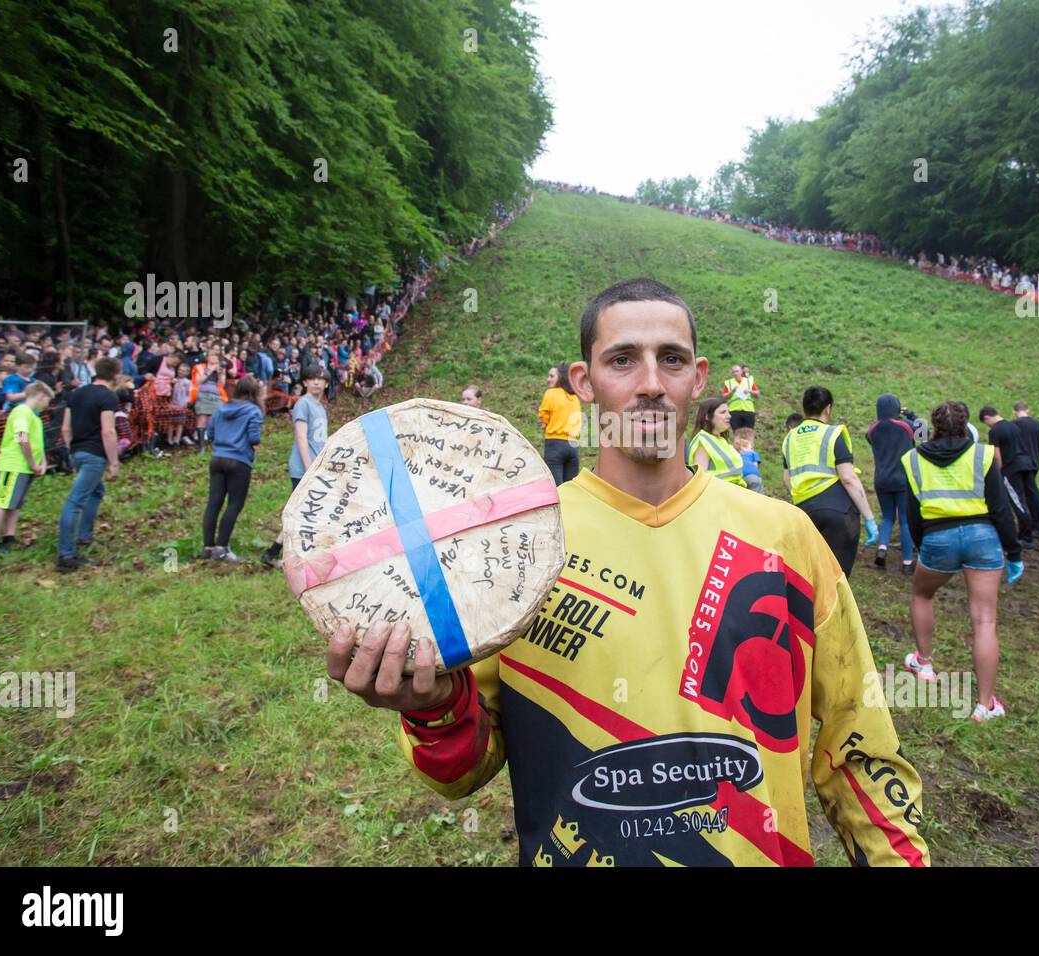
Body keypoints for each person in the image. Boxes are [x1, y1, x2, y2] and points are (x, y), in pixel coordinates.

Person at [326, 276, 930, 867]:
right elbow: (463, 770)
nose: (650, 384)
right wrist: (431, 707)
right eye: (622, 360)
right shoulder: (512, 549)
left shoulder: (785, 535)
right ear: (584, 382)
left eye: (671, 360)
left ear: (698, 378)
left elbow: (858, 738)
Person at [901, 401, 1021, 724]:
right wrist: (1014, 550)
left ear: (934, 427)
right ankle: (984, 706)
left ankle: (923, 663)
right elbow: (999, 507)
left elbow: (913, 512)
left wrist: (920, 545)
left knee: (922, 594)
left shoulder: (912, 459)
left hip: (938, 537)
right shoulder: (983, 454)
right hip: (983, 536)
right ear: (967, 425)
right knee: (984, 621)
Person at [781, 386, 879, 577]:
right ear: (828, 408)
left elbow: (787, 479)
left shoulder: (790, 438)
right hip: (837, 510)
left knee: (811, 577)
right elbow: (848, 478)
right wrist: (870, 518)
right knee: (836, 578)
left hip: (803, 511)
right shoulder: (833, 434)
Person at [57, 357, 121, 573]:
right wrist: (114, 462)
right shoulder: (108, 397)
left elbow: (66, 428)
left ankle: (85, 536)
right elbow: (108, 431)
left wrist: (72, 451)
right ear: (115, 375)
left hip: (77, 450)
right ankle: (66, 554)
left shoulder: (77, 394)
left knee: (96, 492)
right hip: (95, 454)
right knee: (76, 500)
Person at [261, 366, 328, 568]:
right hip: (303, 467)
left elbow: (320, 440)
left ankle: (277, 552)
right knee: (301, 511)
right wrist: (309, 466)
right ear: (305, 382)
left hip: (315, 466)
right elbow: (301, 436)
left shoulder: (321, 407)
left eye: (321, 379)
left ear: (326, 383)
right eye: (312, 379)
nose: (316, 382)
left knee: (307, 510)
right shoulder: (303, 404)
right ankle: (277, 552)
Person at [0, 381, 53, 555]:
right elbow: (22, 437)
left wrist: (42, 462)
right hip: (12, 464)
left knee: (15, 503)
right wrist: (32, 462)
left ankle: (9, 536)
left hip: (26, 467)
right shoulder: (21, 412)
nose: (47, 405)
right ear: (40, 396)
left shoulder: (34, 416)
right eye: (47, 401)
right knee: (2, 501)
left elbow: (38, 442)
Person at [201, 376, 264, 562]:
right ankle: (222, 548)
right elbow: (254, 438)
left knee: (214, 503)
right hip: (238, 460)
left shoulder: (221, 408)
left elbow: (210, 433)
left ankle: (208, 547)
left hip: (217, 458)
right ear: (254, 393)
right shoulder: (253, 411)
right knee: (234, 504)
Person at [865, 393, 916, 573]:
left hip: (881, 479)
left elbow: (871, 436)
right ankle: (908, 562)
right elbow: (924, 435)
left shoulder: (872, 430)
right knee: (905, 520)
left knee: (887, 516)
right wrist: (911, 415)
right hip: (903, 479)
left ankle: (882, 548)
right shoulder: (906, 426)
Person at [979, 406, 1034, 547]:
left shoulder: (995, 431)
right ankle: (1028, 531)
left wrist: (997, 472)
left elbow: (997, 455)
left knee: (1017, 502)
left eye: (986, 423)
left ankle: (1026, 537)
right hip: (1025, 463)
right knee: (1025, 499)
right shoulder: (1014, 425)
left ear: (987, 418)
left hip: (1011, 468)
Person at [1011, 402, 1039, 541]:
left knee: (1031, 496)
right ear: (1028, 409)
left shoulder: (1015, 425)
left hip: (1022, 463)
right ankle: (1038, 526)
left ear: (1014, 411)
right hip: (1035, 460)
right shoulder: (1037, 424)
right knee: (1032, 495)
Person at [688, 397, 747, 487]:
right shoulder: (703, 441)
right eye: (723, 412)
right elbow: (699, 480)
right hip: (720, 495)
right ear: (707, 416)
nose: (729, 416)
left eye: (728, 412)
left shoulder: (721, 441)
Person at [538, 363, 582, 485]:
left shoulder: (550, 394)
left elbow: (543, 418)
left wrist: (543, 422)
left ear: (561, 377)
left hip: (555, 445)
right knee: (571, 486)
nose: (548, 379)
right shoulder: (574, 397)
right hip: (573, 446)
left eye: (551, 376)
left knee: (555, 488)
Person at [721, 363, 760, 445]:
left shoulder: (749, 381)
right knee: (737, 432)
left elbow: (757, 394)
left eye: (737, 371)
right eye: (733, 372)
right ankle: (738, 453)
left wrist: (750, 391)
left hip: (748, 409)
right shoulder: (729, 383)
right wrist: (732, 392)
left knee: (749, 432)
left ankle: (750, 453)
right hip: (734, 410)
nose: (735, 373)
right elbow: (724, 397)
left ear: (741, 371)